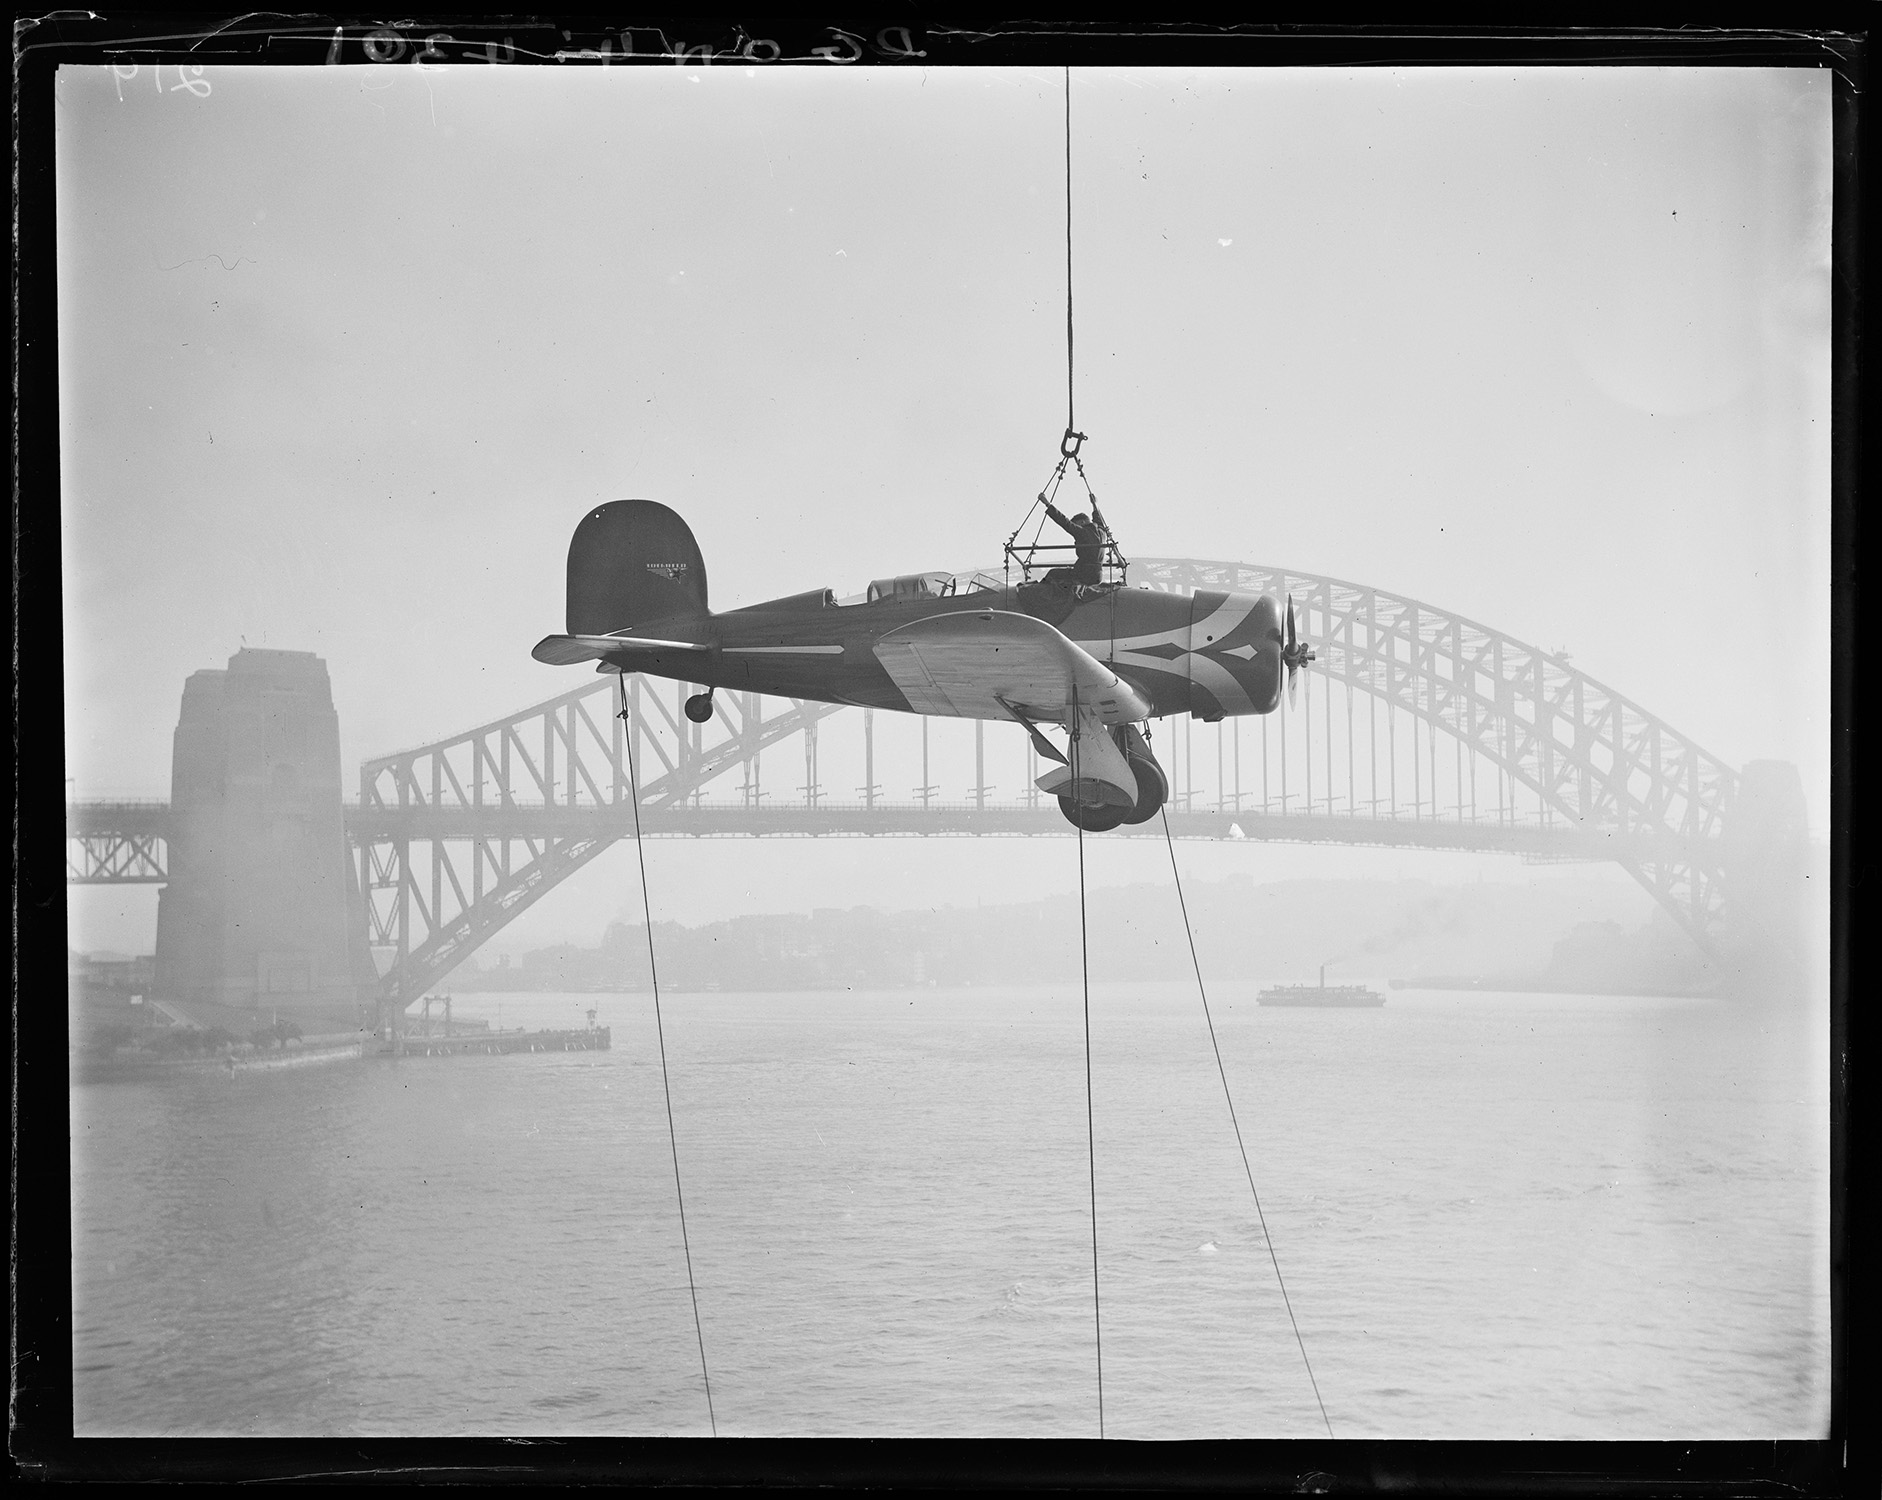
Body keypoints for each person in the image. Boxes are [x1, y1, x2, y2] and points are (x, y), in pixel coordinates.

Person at [1041, 500, 1110, 587]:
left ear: (1082, 522)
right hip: (1098, 575)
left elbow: (1065, 522)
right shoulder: (1102, 531)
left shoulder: (1083, 532)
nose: (1075, 527)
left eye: (1076, 524)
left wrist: (1047, 503)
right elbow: (1098, 518)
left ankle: (1041, 594)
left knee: (1053, 573)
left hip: (1084, 574)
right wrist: (1094, 504)